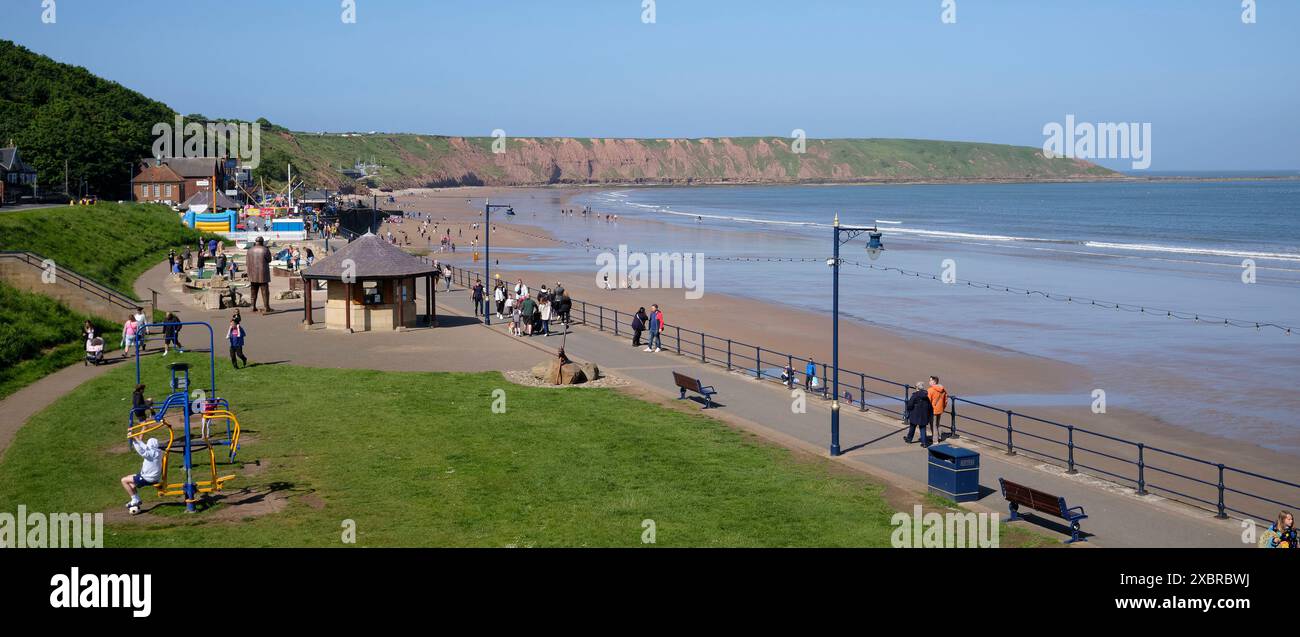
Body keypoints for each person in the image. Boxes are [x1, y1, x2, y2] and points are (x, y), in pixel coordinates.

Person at [120, 430, 163, 514]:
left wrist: (134, 438)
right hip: (153, 477)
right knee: (131, 484)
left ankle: (135, 499)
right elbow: (144, 447)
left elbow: (141, 450)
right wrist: (135, 439)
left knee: (124, 480)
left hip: (148, 478)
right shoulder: (158, 452)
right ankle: (135, 499)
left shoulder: (151, 454)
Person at [903, 381, 935, 446]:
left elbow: (910, 405)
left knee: (912, 427)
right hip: (923, 415)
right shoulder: (926, 396)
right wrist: (929, 415)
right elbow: (930, 406)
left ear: (917, 387)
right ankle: (924, 443)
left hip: (915, 414)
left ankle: (909, 439)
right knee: (923, 429)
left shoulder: (915, 395)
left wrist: (908, 411)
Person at [247, 236, 272, 313]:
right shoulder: (265, 250)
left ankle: (252, 306)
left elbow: (247, 263)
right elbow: (269, 260)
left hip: (252, 274)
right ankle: (266, 307)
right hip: (262, 274)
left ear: (255, 241)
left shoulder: (249, 250)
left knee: (253, 291)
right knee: (265, 291)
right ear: (262, 242)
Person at [927, 376, 949, 445]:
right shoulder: (943, 389)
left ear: (934, 382)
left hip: (933, 410)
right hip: (940, 409)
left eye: (930, 380)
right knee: (937, 424)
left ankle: (935, 440)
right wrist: (943, 407)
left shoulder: (930, 390)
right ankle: (939, 437)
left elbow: (928, 402)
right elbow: (946, 400)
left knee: (933, 425)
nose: (929, 382)